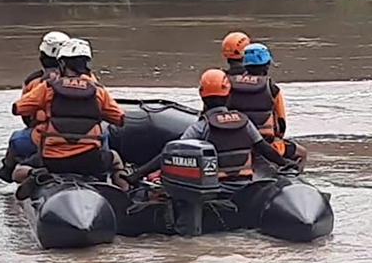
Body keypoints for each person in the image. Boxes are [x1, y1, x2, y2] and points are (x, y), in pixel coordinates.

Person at [124, 69, 291, 187]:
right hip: (245, 185)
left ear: (202, 95)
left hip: (218, 187)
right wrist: (285, 164)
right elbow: (265, 149)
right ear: (228, 94)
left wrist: (137, 175)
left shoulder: (200, 128)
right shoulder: (245, 122)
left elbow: (170, 154)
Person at [10, 38, 128, 190]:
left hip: (53, 160)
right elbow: (120, 119)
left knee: (17, 172)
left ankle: (36, 174)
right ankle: (125, 195)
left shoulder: (48, 87)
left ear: (62, 64)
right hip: (90, 161)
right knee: (116, 159)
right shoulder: (98, 90)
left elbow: (18, 108)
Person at [0, 31, 70, 182]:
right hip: (88, 137)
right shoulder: (88, 80)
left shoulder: (36, 82)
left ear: (42, 56)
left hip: (45, 138)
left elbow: (24, 113)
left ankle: (7, 170)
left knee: (16, 140)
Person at [227, 43, 308, 168]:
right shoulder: (272, 88)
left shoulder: (230, 85)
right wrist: (278, 138)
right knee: (302, 153)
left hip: (235, 142)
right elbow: (281, 124)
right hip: (267, 144)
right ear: (267, 65)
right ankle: (291, 176)